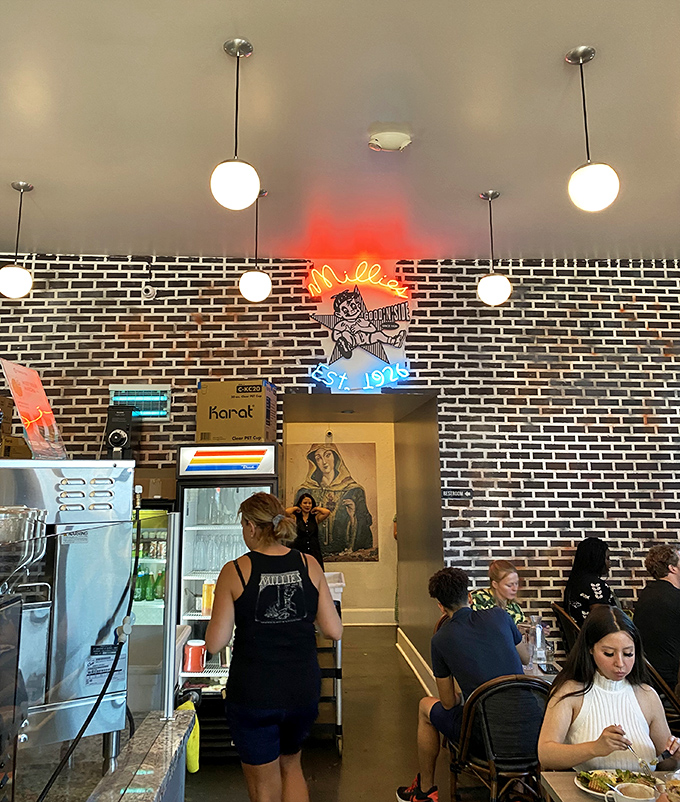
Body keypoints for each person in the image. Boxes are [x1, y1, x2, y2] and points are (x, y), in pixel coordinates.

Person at [205, 492, 343, 802]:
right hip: (302, 689)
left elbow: (216, 642)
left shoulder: (235, 570)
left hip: (254, 691)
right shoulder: (308, 564)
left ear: (251, 527)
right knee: (291, 765)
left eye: (243, 525)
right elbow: (334, 630)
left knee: (263, 786)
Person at [396, 567, 530, 802]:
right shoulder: (500, 616)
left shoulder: (440, 640)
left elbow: (447, 703)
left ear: (440, 606)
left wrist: (467, 694)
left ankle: (426, 791)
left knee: (425, 707)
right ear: (469, 597)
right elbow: (526, 658)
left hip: (486, 739)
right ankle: (518, 790)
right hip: (531, 730)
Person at [537, 605, 680, 771]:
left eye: (628, 654)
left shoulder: (647, 695)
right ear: (590, 649)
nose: (620, 663)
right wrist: (595, 748)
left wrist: (675, 757)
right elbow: (546, 755)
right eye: (609, 654)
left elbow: (663, 764)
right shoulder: (571, 692)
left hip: (645, 794)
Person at [294, 443, 374, 556]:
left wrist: (353, 516)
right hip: (313, 552)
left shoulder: (354, 491)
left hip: (343, 552)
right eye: (318, 458)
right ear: (314, 462)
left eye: (328, 455)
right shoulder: (305, 491)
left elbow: (365, 527)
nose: (324, 462)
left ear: (336, 458)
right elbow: (295, 526)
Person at [634, 544, 680, 693]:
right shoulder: (674, 598)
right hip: (670, 682)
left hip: (647, 675)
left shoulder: (648, 593)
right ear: (672, 567)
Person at [563, 537, 617, 625]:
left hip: (580, 636)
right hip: (597, 638)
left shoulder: (574, 583)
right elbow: (602, 620)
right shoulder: (596, 585)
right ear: (597, 559)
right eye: (607, 558)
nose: (609, 562)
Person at [470, 560, 525, 626]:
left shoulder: (515, 608)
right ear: (495, 584)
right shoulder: (478, 599)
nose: (515, 588)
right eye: (509, 585)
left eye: (516, 583)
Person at [284, 493, 330, 571]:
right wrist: (296, 508)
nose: (307, 505)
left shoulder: (315, 518)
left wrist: (316, 508)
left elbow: (327, 512)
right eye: (305, 503)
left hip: (314, 551)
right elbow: (286, 512)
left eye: (310, 503)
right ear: (300, 504)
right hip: (299, 551)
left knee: (315, 573)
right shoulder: (295, 518)